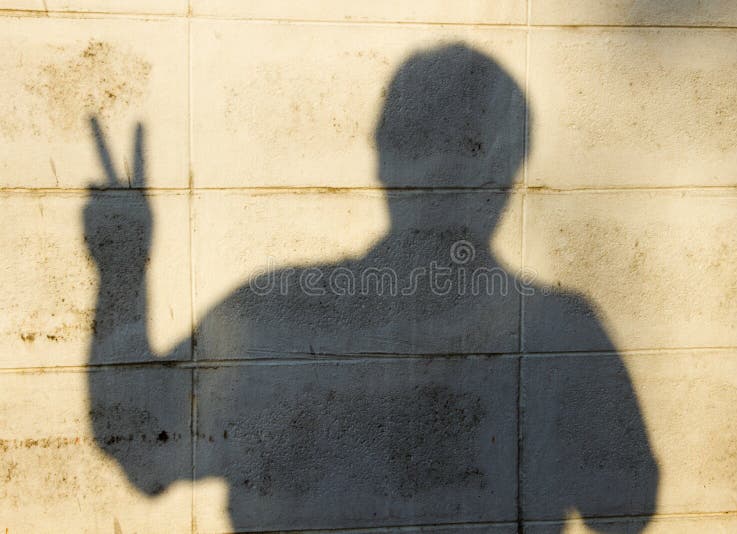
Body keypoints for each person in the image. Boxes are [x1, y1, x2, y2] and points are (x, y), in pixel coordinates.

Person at [84, 43, 658, 532]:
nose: (444, 169)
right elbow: (625, 508)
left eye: (465, 144)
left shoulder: (277, 313)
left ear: (380, 158)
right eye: (428, 139)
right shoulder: (558, 334)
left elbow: (139, 444)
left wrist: (121, 271)